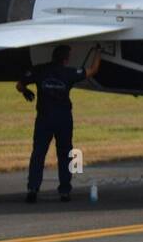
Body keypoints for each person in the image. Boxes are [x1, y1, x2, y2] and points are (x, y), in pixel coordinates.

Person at [16, 45, 100, 203]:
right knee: (65, 154)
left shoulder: (40, 70)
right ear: (66, 59)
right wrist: (98, 51)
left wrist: (25, 91)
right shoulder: (69, 73)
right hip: (63, 119)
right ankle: (65, 190)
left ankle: (33, 188)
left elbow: (19, 85)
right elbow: (93, 70)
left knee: (38, 154)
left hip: (44, 118)